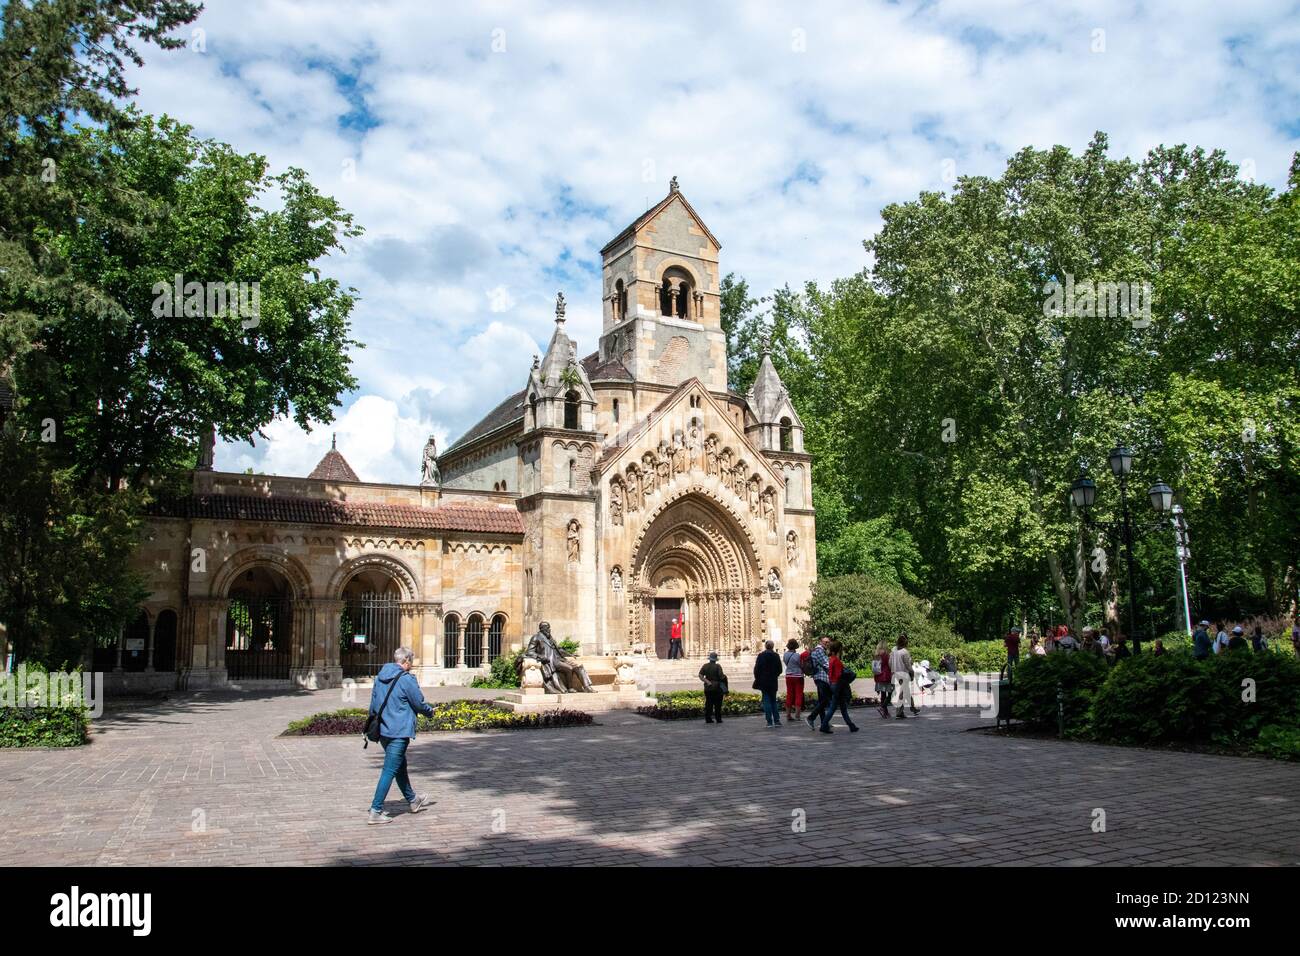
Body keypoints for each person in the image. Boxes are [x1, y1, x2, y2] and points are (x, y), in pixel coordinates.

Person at [367, 646, 436, 825]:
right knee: (390, 769)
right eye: (411, 662)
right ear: (406, 661)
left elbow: (373, 704)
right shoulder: (406, 679)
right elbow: (419, 703)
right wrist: (430, 712)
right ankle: (376, 810)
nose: (411, 665)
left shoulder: (380, 677)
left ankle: (413, 800)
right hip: (399, 731)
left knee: (399, 766)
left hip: (383, 730)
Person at [824, 639, 859, 733]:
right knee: (833, 707)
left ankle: (851, 726)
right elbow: (840, 675)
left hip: (833, 684)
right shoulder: (837, 661)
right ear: (839, 649)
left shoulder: (831, 659)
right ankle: (824, 725)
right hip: (838, 685)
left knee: (842, 707)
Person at [804, 637, 834, 732]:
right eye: (825, 642)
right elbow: (827, 664)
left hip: (820, 678)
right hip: (822, 678)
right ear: (820, 642)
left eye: (828, 642)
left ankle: (824, 724)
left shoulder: (819, 650)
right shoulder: (819, 650)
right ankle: (811, 718)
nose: (827, 643)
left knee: (822, 701)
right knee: (825, 700)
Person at [754, 640, 783, 728]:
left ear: (766, 646)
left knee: (766, 701)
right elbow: (780, 669)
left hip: (764, 681)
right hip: (773, 681)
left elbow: (756, 669)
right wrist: (774, 675)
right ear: (773, 646)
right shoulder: (776, 656)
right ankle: (777, 721)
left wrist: (758, 678)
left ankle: (769, 722)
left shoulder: (761, 656)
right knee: (773, 701)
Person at [889, 633, 918, 719]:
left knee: (905, 690)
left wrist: (893, 670)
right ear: (905, 643)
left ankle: (913, 708)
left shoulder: (893, 650)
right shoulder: (905, 652)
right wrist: (912, 674)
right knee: (904, 691)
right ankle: (899, 711)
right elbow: (908, 665)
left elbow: (890, 662)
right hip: (904, 673)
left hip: (895, 673)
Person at [699, 652, 727, 724]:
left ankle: (708, 718)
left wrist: (707, 681)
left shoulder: (705, 666)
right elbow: (721, 676)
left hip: (708, 688)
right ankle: (718, 718)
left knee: (708, 703)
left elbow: (700, 675)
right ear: (715, 659)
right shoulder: (718, 666)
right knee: (718, 704)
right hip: (717, 687)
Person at [782, 638, 804, 722]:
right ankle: (797, 715)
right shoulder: (797, 656)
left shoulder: (785, 655)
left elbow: (786, 663)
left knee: (789, 694)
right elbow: (801, 665)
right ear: (795, 646)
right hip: (798, 676)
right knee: (798, 694)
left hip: (788, 676)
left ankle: (788, 715)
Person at [873, 640, 893, 718]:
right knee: (891, 693)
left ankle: (885, 712)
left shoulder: (876, 655)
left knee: (883, 694)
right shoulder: (886, 655)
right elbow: (890, 665)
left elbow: (875, 667)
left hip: (878, 676)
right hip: (886, 676)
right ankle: (883, 707)